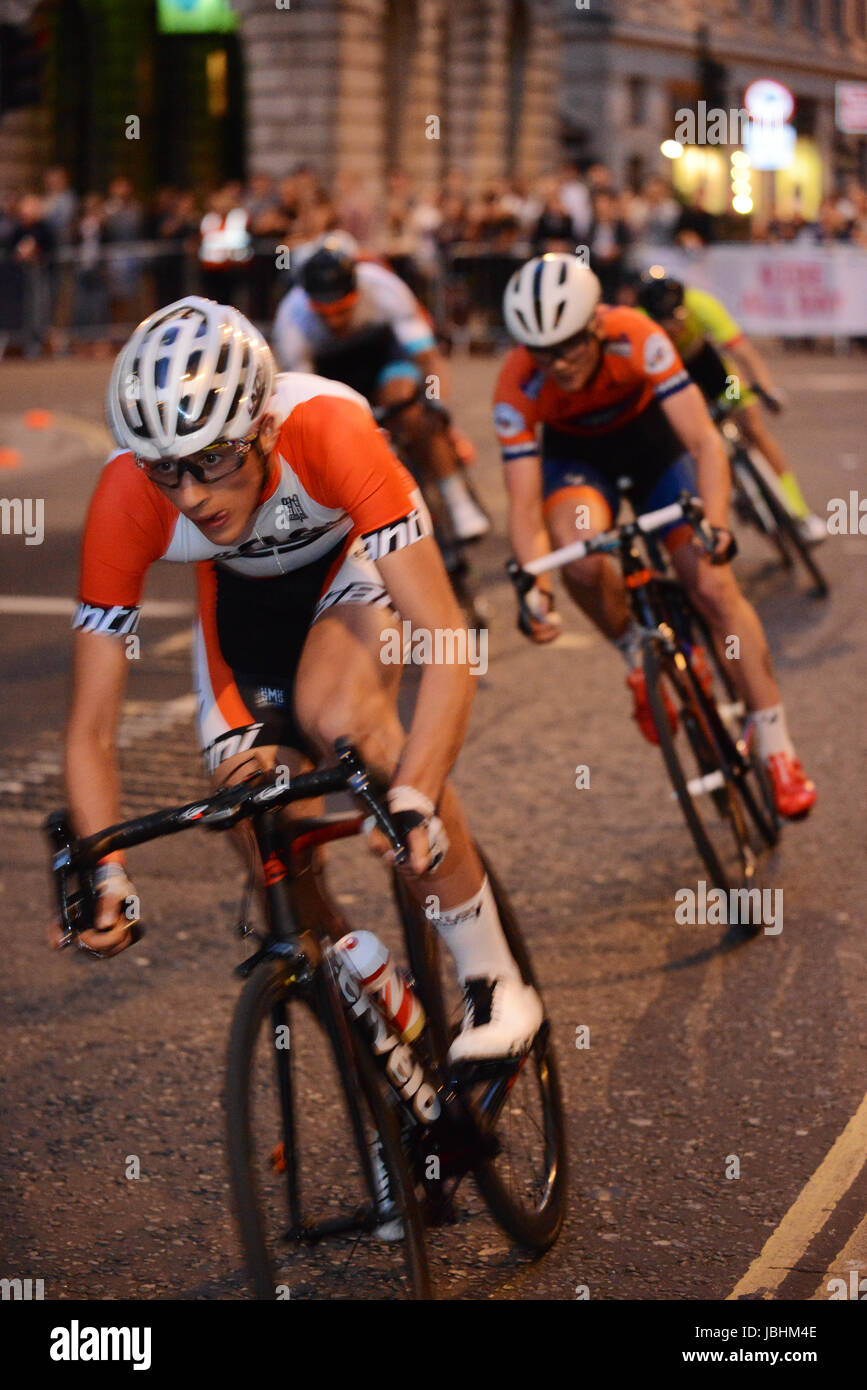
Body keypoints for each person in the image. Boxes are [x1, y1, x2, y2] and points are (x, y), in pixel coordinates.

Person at [62, 296, 540, 1060]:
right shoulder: (126, 496)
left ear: (264, 428)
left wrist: (414, 791)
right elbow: (90, 728)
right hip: (244, 607)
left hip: (349, 569)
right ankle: (363, 984)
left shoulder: (330, 431)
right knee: (250, 814)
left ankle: (492, 979)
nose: (190, 495)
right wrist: (106, 869)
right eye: (166, 471)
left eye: (214, 458)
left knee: (343, 720)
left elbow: (447, 639)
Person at [493, 254, 816, 820]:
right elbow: (523, 506)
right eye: (543, 351)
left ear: (595, 324)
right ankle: (633, 656)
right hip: (578, 462)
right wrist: (534, 590)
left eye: (570, 344)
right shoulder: (516, 382)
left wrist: (714, 525)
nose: (559, 362)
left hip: (655, 448)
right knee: (581, 557)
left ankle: (778, 750)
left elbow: (705, 443)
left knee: (712, 588)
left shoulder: (637, 335)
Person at [272, 235, 488, 542]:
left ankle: (457, 501)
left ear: (356, 290)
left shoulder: (383, 287)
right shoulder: (292, 320)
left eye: (343, 310)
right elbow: (304, 401)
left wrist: (436, 405)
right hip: (330, 372)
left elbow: (428, 357)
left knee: (410, 410)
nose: (335, 322)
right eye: (325, 314)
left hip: (384, 357)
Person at [637, 273, 825, 543]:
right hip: (675, 379)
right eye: (667, 326)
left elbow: (743, 352)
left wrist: (766, 389)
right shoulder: (639, 322)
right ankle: (734, 488)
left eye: (678, 321)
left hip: (714, 371)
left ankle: (800, 511)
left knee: (753, 428)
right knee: (698, 443)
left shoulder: (701, 304)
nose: (675, 330)